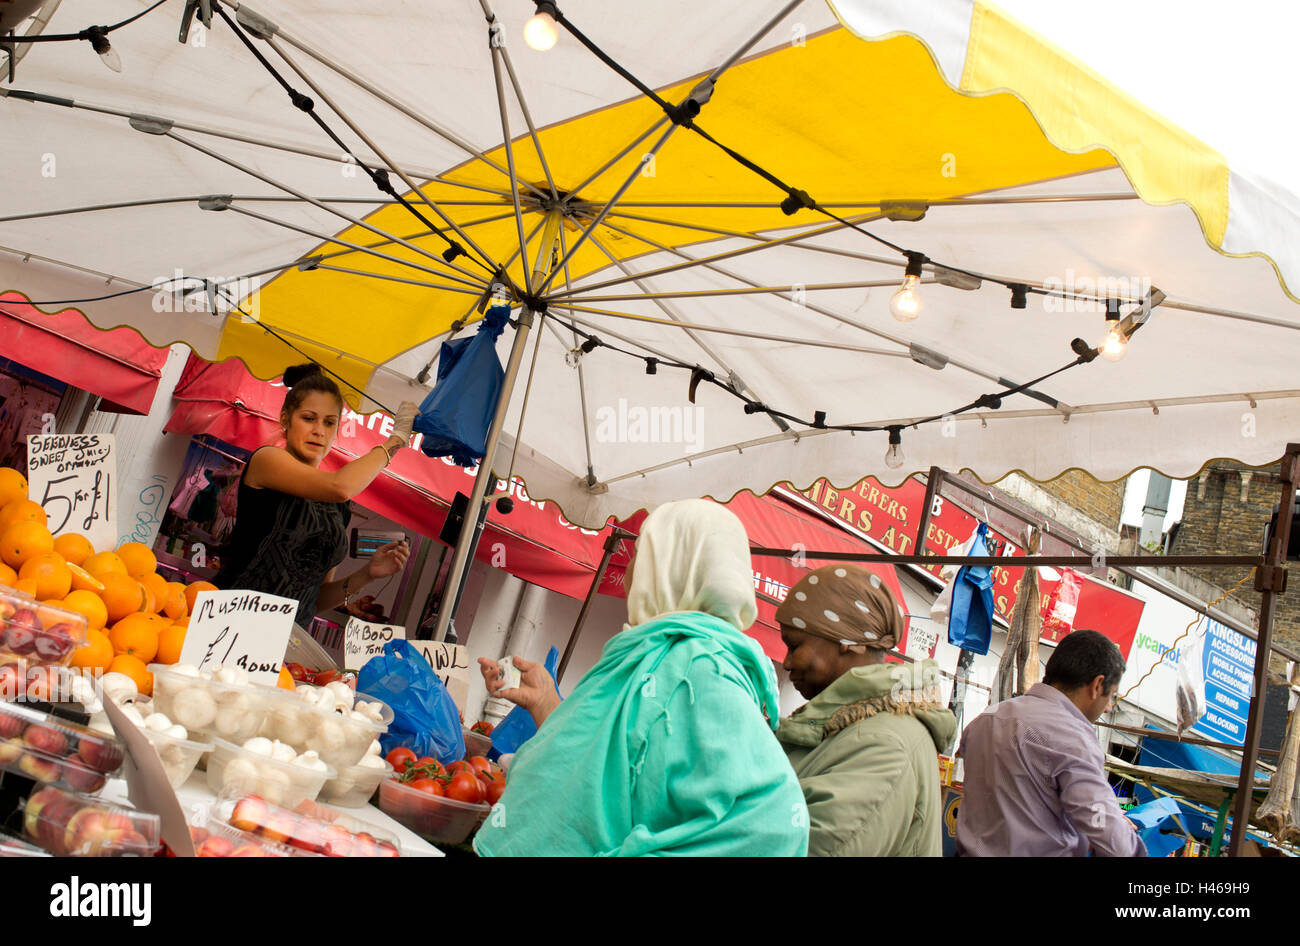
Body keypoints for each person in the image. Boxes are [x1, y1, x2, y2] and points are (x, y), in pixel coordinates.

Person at [473, 499, 809, 857]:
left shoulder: (698, 666)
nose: (632, 569)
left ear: (670, 566)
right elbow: (613, 766)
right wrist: (546, 704)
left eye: (640, 554)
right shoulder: (653, 651)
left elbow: (772, 829)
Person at [213, 363, 417, 627]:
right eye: (309, 418)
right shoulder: (268, 460)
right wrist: (395, 440)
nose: (319, 431)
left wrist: (367, 574)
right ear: (286, 419)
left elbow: (315, 598)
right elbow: (339, 486)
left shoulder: (339, 508)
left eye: (329, 422)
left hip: (282, 645)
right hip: (227, 625)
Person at [775, 564, 957, 856]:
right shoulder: (850, 726)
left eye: (794, 645)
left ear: (847, 643)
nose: (786, 662)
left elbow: (815, 848)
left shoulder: (884, 744)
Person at [955, 629, 1145, 856]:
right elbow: (1113, 840)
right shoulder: (1075, 739)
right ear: (1097, 685)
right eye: (1111, 696)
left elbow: (1027, 803)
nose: (1108, 708)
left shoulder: (987, 719)